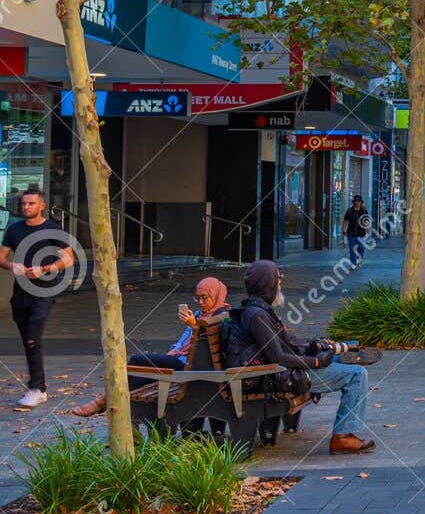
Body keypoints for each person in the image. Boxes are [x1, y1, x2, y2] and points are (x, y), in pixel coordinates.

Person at [236, 260, 374, 454]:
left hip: (282, 371)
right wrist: (315, 361)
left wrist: (312, 347)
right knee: (358, 375)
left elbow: (281, 347)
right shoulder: (257, 315)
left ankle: (338, 356)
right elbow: (278, 357)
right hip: (280, 377)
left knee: (334, 359)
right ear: (267, 283)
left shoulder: (257, 310)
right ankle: (343, 436)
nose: (280, 283)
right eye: (278, 279)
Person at [70, 277, 230, 416]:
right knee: (139, 374)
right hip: (182, 360)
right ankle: (108, 403)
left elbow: (207, 343)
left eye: (205, 297)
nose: (201, 302)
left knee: (137, 360)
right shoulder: (198, 315)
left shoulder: (220, 316)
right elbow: (182, 343)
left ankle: (102, 401)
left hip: (191, 366)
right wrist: (173, 351)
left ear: (215, 295)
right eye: (197, 298)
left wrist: (195, 326)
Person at [1, 187, 74, 409]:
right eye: (23, 203)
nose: (26, 207)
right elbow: (1, 257)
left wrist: (46, 268)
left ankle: (36, 388)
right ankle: (39, 389)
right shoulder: (14, 230)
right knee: (28, 341)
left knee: (33, 337)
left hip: (44, 292)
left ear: (41, 205)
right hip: (20, 294)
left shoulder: (52, 228)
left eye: (31, 203)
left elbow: (69, 259)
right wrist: (12, 265)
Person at [343, 195, 372, 266]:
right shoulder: (349, 211)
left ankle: (359, 258)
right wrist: (343, 230)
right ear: (354, 202)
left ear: (361, 202)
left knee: (361, 248)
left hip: (361, 234)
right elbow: (345, 221)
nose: (357, 203)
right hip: (351, 233)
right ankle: (353, 263)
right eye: (356, 201)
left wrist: (368, 231)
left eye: (359, 201)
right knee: (352, 249)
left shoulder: (364, 211)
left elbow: (366, 221)